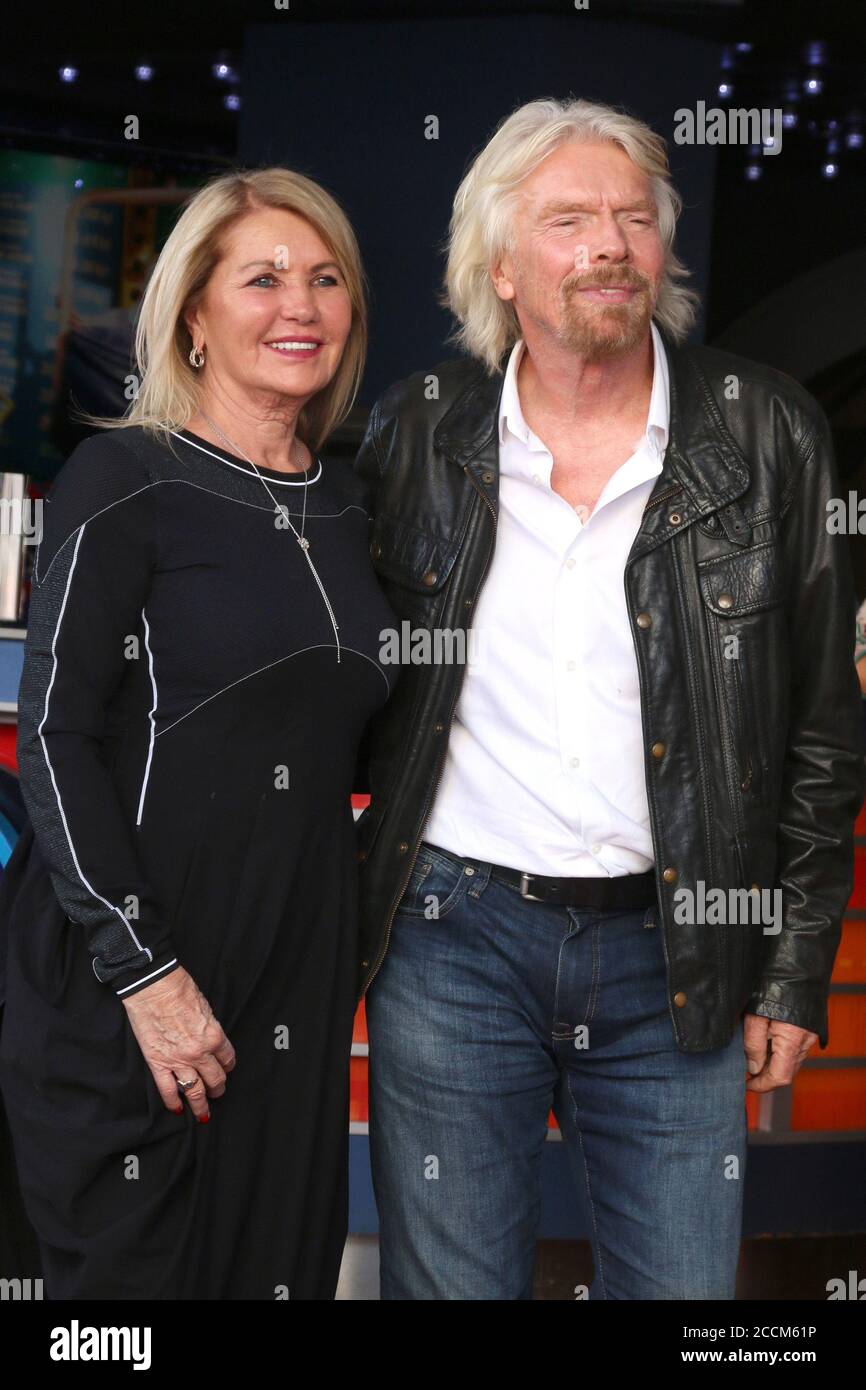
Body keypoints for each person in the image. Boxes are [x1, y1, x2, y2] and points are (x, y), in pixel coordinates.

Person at [353, 97, 866, 1299]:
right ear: (497, 263)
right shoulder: (416, 432)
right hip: (451, 942)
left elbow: (818, 736)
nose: (611, 244)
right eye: (571, 219)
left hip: (677, 949)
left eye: (635, 218)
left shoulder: (764, 432)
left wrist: (792, 970)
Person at [0, 166, 397, 1299]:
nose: (300, 306)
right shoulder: (125, 476)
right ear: (191, 316)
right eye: (262, 278)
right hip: (132, 976)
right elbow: (55, 736)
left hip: (295, 978)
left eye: (325, 280)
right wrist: (145, 971)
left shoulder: (353, 501)